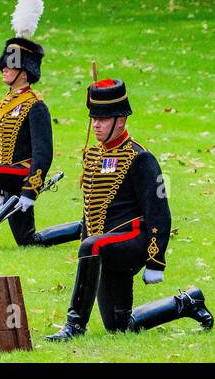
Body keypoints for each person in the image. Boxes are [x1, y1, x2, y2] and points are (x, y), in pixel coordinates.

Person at [47, 78, 212, 340]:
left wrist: (155, 261)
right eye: (94, 119)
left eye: (103, 119)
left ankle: (73, 326)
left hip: (134, 241)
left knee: (93, 246)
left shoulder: (141, 158)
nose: (96, 124)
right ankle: (187, 302)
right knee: (119, 325)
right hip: (104, 247)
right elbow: (90, 210)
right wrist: (85, 250)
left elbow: (159, 212)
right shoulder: (94, 156)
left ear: (121, 121)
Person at [0, 0, 78, 248]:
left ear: (24, 71)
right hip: (8, 176)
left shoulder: (35, 105)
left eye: (9, 66)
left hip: (24, 174)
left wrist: (31, 189)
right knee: (28, 241)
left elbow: (44, 155)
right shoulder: (6, 102)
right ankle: (82, 228)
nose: (3, 69)